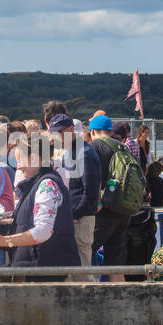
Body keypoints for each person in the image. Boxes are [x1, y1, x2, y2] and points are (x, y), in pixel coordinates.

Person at [0, 133, 76, 280]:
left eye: (20, 161)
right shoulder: (38, 182)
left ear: (33, 158)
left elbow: (43, 230)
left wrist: (5, 241)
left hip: (43, 269)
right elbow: (28, 221)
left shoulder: (47, 184)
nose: (18, 167)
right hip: (38, 266)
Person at [47, 111, 100, 277]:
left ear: (70, 130)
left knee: (82, 272)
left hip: (80, 219)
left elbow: (90, 195)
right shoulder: (70, 152)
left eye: (58, 133)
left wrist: (73, 215)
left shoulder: (85, 154)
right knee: (73, 272)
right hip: (73, 217)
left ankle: (89, 301)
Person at [87, 114, 130, 282]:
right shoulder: (122, 148)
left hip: (103, 210)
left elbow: (93, 177)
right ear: (110, 132)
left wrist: (97, 202)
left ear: (93, 131)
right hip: (123, 209)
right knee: (115, 263)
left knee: (84, 254)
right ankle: (123, 302)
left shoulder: (93, 147)